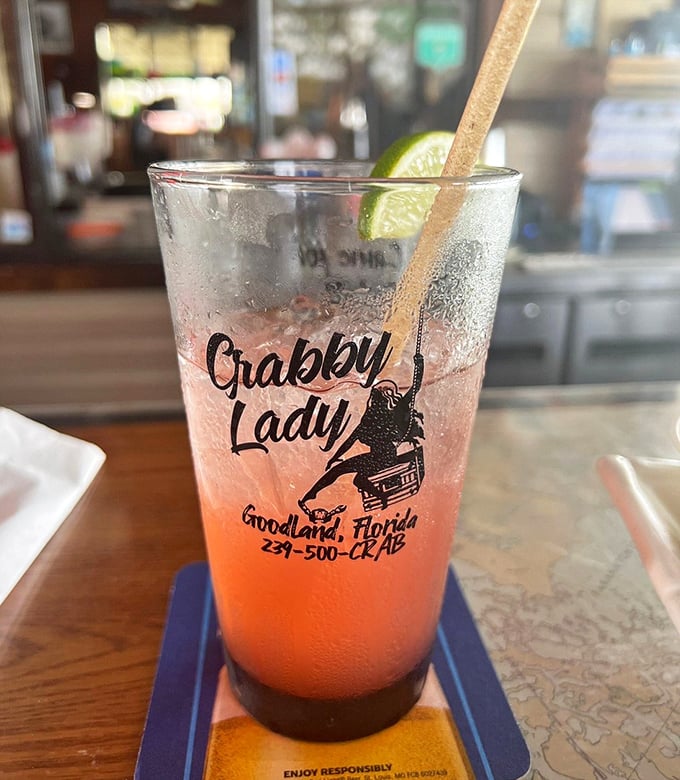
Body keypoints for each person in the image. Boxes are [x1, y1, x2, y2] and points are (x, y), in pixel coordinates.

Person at [299, 353, 424, 509]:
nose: (373, 401)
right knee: (340, 471)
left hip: (384, 458)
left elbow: (415, 388)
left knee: (354, 477)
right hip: (377, 457)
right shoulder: (369, 421)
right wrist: (334, 458)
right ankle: (311, 494)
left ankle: (382, 496)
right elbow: (349, 441)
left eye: (376, 398)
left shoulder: (384, 417)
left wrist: (419, 364)